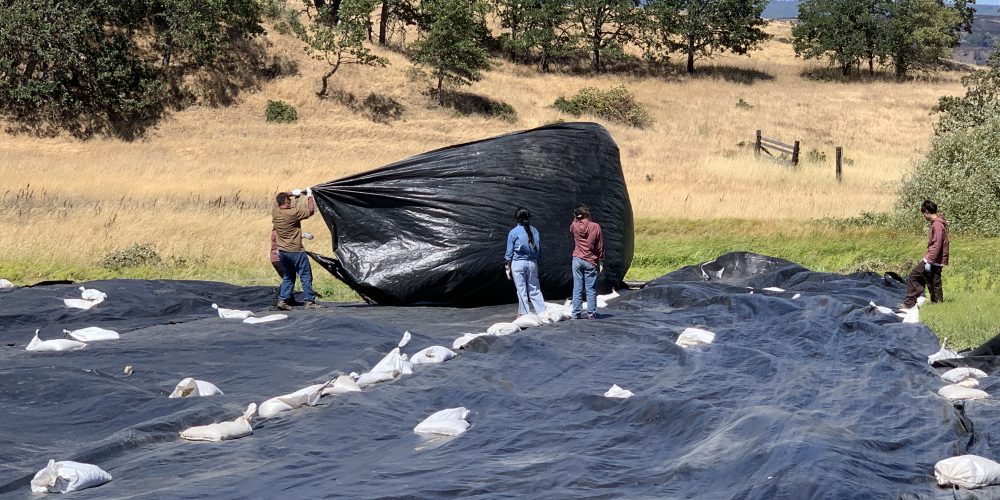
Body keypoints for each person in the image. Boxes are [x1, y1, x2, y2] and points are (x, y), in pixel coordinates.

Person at [273, 189, 322, 310]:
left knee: (289, 276)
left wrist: (292, 193)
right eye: (289, 200)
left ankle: (282, 300)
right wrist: (310, 196)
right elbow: (310, 211)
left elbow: (278, 198)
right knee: (305, 276)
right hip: (296, 250)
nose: (290, 202)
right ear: (286, 202)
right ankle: (310, 301)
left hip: (283, 252)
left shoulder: (275, 211)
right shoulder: (292, 213)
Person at [902, 199, 949, 309]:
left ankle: (909, 304)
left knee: (913, 276)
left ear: (927, 211)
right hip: (936, 259)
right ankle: (938, 305)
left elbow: (937, 244)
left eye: (924, 213)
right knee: (934, 281)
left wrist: (929, 260)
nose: (923, 216)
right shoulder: (940, 223)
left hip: (933, 259)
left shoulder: (937, 224)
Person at [505, 207, 546, 316]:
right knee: (535, 288)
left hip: (518, 263)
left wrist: (508, 266)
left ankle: (524, 314)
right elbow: (539, 248)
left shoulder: (513, 232)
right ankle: (542, 312)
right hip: (532, 263)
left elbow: (509, 253)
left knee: (521, 290)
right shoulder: (535, 230)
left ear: (516, 218)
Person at [570, 204, 604, 320]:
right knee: (590, 289)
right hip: (590, 260)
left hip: (577, 259)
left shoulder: (574, 226)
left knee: (577, 288)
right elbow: (600, 246)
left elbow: (573, 224)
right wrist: (601, 259)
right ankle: (591, 313)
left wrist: (576, 217)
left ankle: (576, 313)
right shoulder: (595, 227)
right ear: (587, 214)